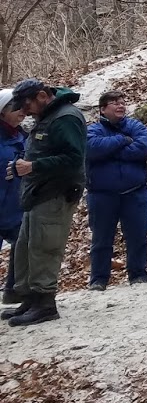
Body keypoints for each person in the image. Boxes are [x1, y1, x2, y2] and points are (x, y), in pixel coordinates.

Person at [4, 80, 87, 327]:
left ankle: (45, 304)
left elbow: (74, 158)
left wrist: (34, 166)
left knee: (44, 246)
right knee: (27, 245)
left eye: (27, 104)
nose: (25, 110)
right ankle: (30, 299)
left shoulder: (66, 117)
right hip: (37, 192)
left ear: (42, 96)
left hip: (56, 192)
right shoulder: (48, 116)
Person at [85, 91, 147, 290]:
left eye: (123, 102)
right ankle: (98, 279)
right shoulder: (93, 129)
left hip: (134, 191)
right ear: (103, 109)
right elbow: (92, 149)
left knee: (138, 235)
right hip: (101, 194)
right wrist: (122, 140)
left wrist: (110, 151)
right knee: (101, 239)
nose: (120, 106)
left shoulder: (136, 126)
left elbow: (142, 149)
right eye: (114, 103)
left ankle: (138, 275)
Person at [0, 90, 27, 304]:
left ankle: (13, 291)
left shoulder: (24, 135)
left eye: (23, 107)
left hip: (15, 204)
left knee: (22, 244)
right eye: (16, 107)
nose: (22, 112)